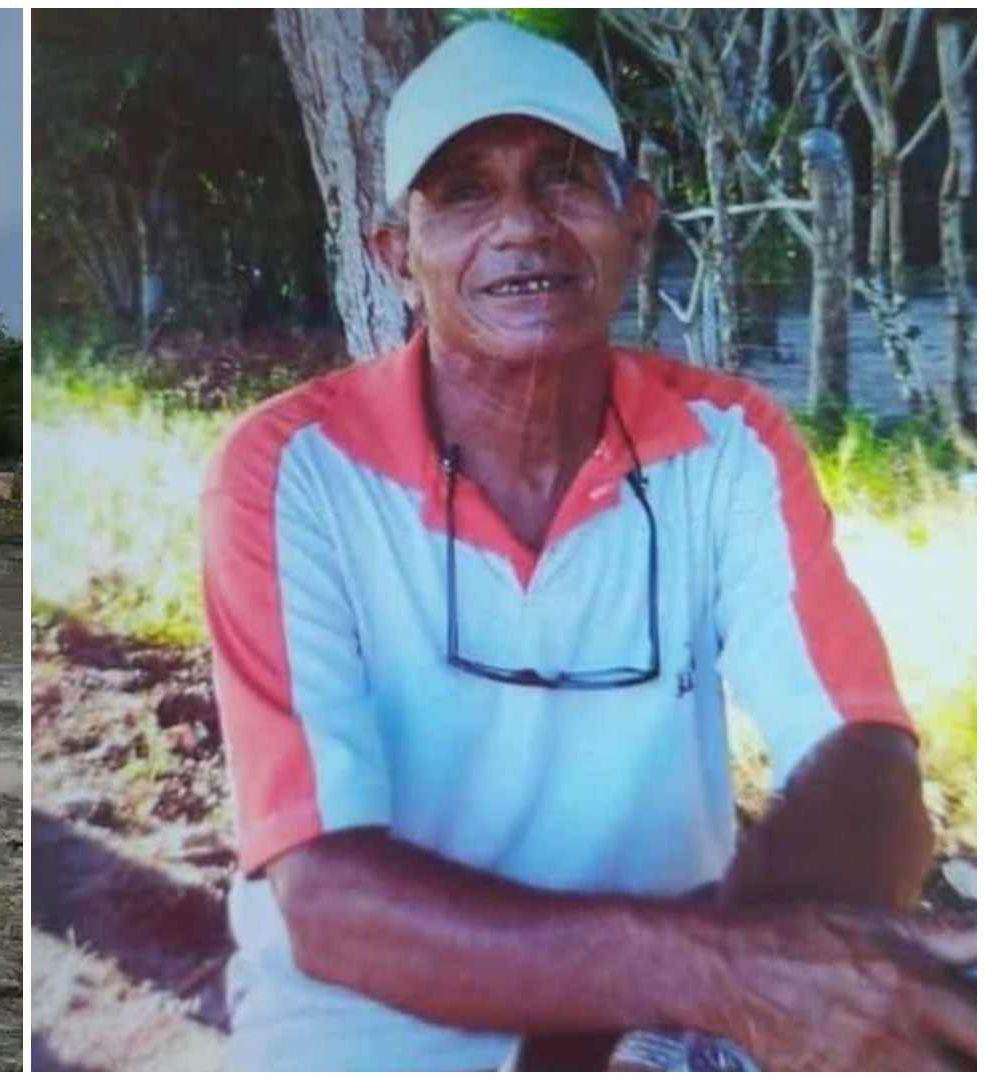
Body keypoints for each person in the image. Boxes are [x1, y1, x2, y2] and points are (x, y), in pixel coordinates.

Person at [201, 21, 974, 1072]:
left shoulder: (729, 445)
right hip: (371, 1033)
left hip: (666, 1021)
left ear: (636, 219)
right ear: (397, 258)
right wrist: (728, 973)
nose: (522, 226)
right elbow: (330, 905)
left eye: (565, 178)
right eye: (465, 190)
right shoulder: (292, 470)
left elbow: (862, 753)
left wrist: (733, 998)